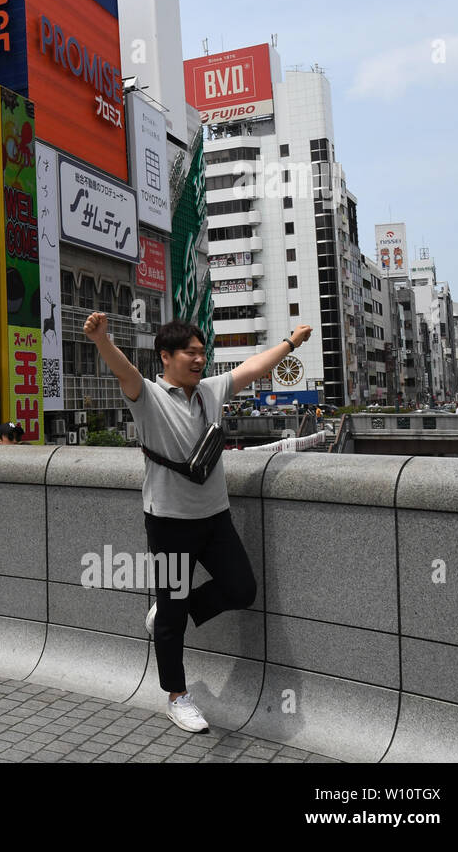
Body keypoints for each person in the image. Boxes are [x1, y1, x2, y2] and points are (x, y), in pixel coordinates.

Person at [83, 312, 313, 733]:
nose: (198, 359)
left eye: (202, 352)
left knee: (242, 588)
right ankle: (177, 696)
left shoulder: (210, 391)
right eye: (189, 352)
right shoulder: (147, 396)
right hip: (169, 522)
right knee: (170, 619)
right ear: (165, 357)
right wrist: (102, 340)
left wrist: (291, 343)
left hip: (215, 517)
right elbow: (125, 371)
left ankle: (177, 607)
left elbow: (252, 368)